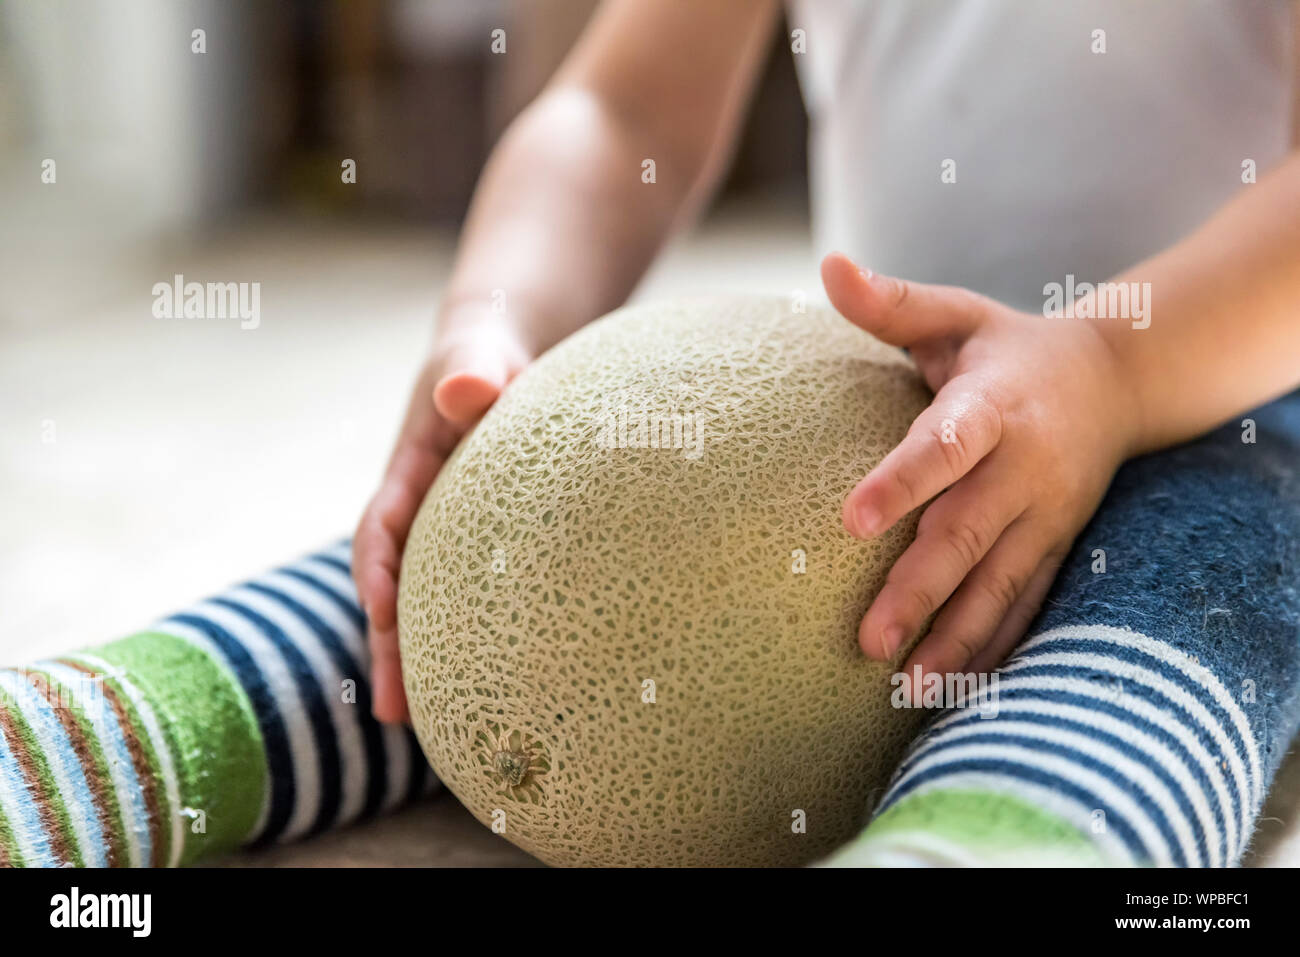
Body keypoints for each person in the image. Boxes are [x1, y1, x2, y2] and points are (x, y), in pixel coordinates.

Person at [354, 0, 1300, 865]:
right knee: (477, 554)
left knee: (1187, 591)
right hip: (888, 405)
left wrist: (1109, 367)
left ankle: (988, 840)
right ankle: (212, 717)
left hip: (1225, 392)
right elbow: (623, 111)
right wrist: (497, 323)